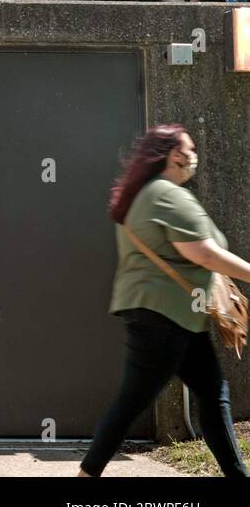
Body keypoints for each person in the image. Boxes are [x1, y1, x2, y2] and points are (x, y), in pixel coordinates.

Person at [80, 125, 250, 477]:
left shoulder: (143, 193)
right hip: (163, 315)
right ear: (174, 155)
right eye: (189, 148)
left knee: (213, 394)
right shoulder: (165, 194)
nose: (193, 155)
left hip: (174, 315)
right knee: (132, 402)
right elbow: (205, 254)